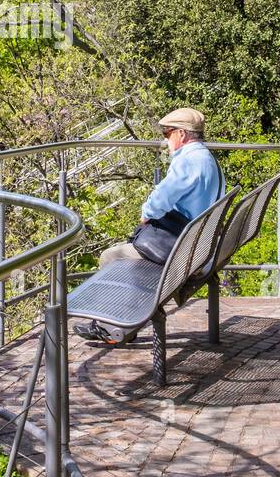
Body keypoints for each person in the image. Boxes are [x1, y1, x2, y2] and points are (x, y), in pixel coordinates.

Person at [73, 107, 224, 343]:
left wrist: (146, 214)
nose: (165, 139)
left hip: (182, 254)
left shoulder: (187, 161)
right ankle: (121, 325)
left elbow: (161, 198)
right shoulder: (208, 159)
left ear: (181, 134)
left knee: (111, 258)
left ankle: (116, 329)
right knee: (128, 252)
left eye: (167, 133)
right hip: (198, 247)